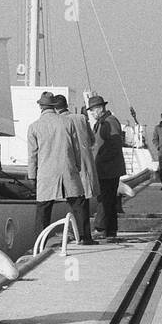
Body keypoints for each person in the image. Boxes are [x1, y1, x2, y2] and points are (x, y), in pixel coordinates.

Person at [26, 90, 88, 241]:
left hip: (46, 173)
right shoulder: (67, 122)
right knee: (77, 203)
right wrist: (78, 166)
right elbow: (76, 148)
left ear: (41, 107)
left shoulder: (34, 127)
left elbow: (32, 155)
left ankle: (40, 242)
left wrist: (32, 176)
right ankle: (85, 238)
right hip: (67, 169)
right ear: (53, 106)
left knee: (43, 209)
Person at [54, 95, 97, 245]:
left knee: (74, 202)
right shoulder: (81, 119)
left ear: (55, 108)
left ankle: (79, 234)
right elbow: (92, 140)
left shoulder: (59, 121)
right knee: (83, 201)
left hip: (70, 166)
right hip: (85, 164)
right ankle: (87, 236)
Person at [88, 96, 127, 240]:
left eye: (92, 110)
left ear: (99, 109)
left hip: (108, 169)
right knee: (108, 199)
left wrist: (99, 159)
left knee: (105, 199)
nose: (92, 113)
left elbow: (115, 144)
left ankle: (101, 228)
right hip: (107, 168)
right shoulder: (103, 122)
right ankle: (110, 231)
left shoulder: (109, 122)